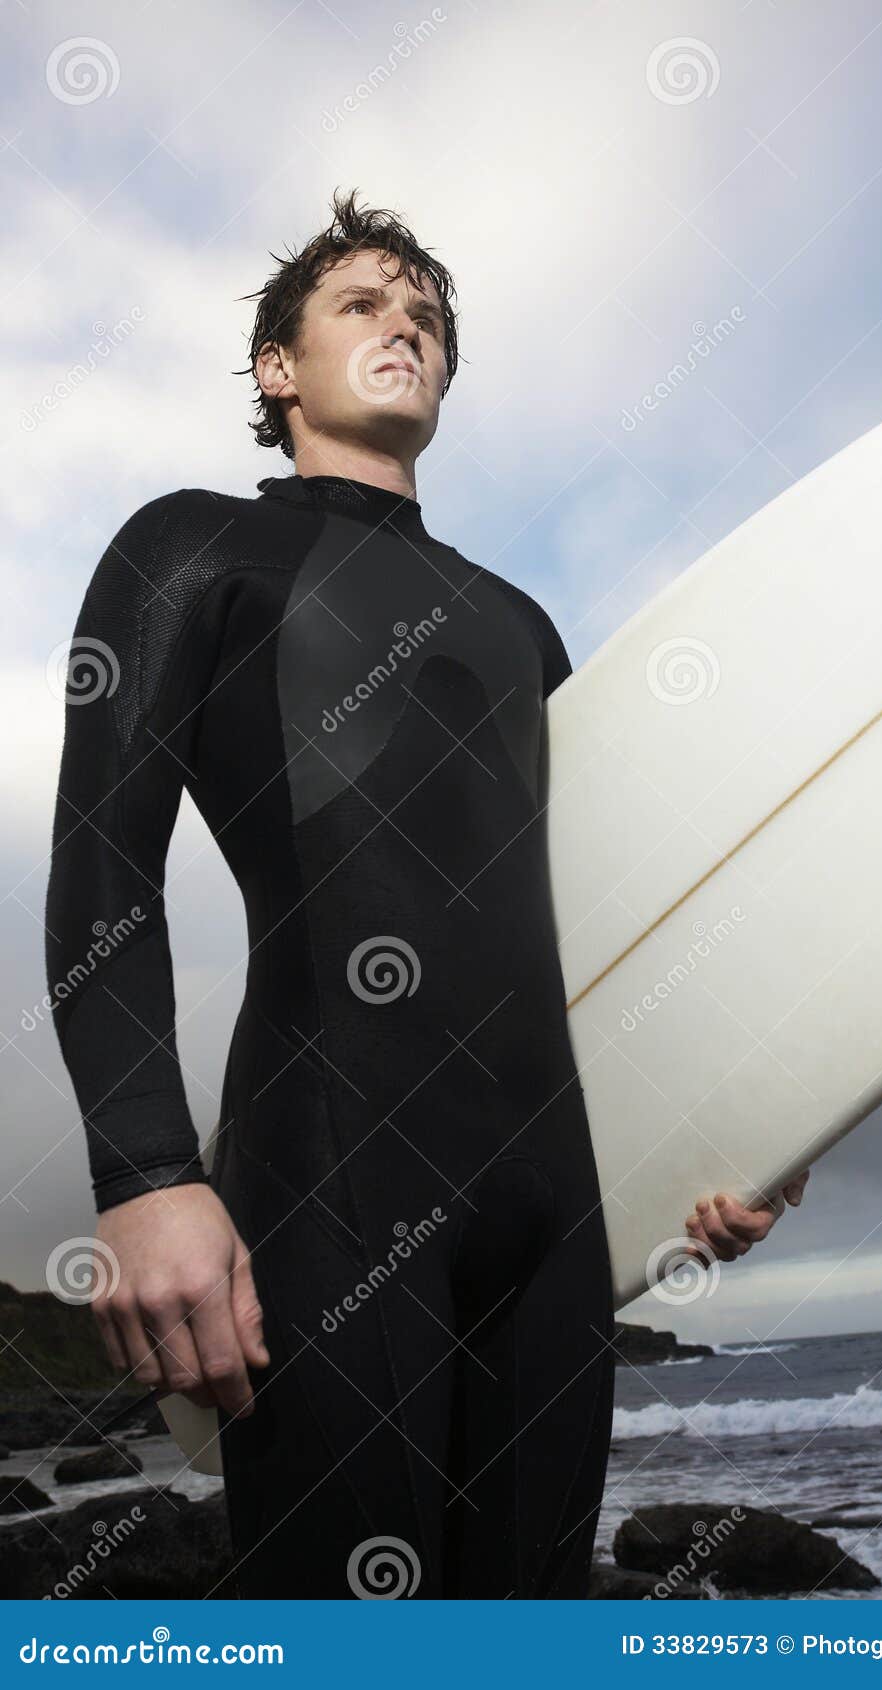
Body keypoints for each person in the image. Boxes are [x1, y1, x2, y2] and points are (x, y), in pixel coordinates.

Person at [44, 189, 808, 1599]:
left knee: (531, 1631)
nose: (406, 327)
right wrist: (146, 1176)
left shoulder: (523, 625)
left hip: (556, 1210)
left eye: (429, 318)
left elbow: (610, 917)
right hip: (328, 1170)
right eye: (363, 304)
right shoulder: (192, 548)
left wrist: (733, 1129)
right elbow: (104, 865)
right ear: (278, 367)